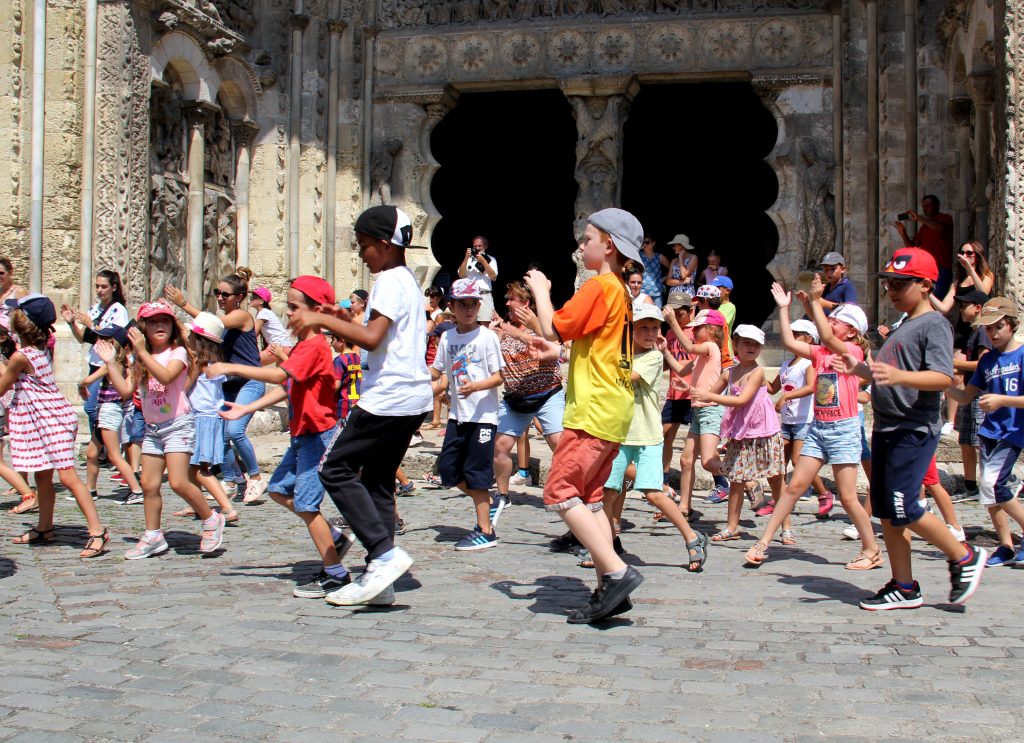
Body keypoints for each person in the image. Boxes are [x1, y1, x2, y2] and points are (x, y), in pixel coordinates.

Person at [290, 205, 430, 607]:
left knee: (334, 469)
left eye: (364, 245)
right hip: (411, 397)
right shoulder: (404, 280)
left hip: (388, 397)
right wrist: (342, 317)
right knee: (377, 482)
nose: (361, 254)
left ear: (385, 245)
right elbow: (379, 336)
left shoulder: (388, 279)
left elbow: (371, 339)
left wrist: (320, 320)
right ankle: (380, 581)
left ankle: (384, 556)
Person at [525, 208, 644, 624]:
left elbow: (553, 326)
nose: (581, 245)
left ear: (608, 245)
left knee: (560, 492)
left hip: (592, 410)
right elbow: (594, 346)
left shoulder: (599, 286)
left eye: (588, 238)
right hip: (614, 408)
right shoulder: (620, 292)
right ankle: (608, 589)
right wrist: (561, 353)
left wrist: (541, 289)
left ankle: (616, 572)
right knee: (591, 500)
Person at [848, 247, 985, 610]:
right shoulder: (904, 325)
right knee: (888, 513)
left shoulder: (934, 324)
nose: (891, 290)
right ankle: (904, 586)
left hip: (913, 427)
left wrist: (898, 376)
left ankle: (964, 555)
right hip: (888, 427)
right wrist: (862, 370)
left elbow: (942, 376)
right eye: (889, 283)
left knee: (905, 506)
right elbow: (892, 375)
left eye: (900, 283)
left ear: (925, 285)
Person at [216, 277, 358, 600]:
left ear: (316, 310)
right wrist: (246, 408)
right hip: (302, 435)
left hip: (318, 436)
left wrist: (228, 365)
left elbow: (278, 374)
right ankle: (333, 538)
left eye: (294, 307)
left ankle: (336, 574)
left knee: (307, 504)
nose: (288, 313)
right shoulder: (302, 347)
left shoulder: (315, 346)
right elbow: (286, 386)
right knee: (279, 490)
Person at [746, 279, 880, 569]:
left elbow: (829, 339)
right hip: (819, 428)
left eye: (836, 321)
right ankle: (764, 542)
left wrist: (816, 302)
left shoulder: (852, 351)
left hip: (843, 429)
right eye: (829, 319)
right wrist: (784, 309)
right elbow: (790, 342)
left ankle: (871, 549)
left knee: (848, 496)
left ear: (852, 331)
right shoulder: (820, 353)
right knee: (793, 486)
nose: (829, 323)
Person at [102, 301, 226, 559]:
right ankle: (153, 536)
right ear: (143, 328)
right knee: (148, 483)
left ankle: (211, 518)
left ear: (173, 326)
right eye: (153, 321)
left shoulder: (177, 353)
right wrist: (111, 363)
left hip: (178, 424)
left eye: (165, 320)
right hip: (153, 427)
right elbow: (125, 391)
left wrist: (141, 352)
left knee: (178, 481)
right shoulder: (140, 358)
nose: (160, 325)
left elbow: (167, 377)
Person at [600, 303, 708, 572]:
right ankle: (605, 545)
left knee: (653, 493)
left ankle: (692, 536)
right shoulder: (619, 353)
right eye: (643, 327)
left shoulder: (653, 357)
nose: (650, 333)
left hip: (647, 435)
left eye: (654, 328)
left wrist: (598, 356)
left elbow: (629, 375)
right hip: (618, 434)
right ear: (630, 330)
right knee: (609, 492)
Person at [4, 294, 109, 559]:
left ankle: (97, 531)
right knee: (42, 475)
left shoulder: (21, 357)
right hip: (46, 419)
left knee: (67, 477)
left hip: (53, 421)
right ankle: (45, 527)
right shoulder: (38, 350)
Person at [166, 269, 267, 504]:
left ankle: (255, 478)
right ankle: (232, 480)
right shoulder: (220, 318)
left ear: (239, 297)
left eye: (225, 294)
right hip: (228, 383)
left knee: (234, 431)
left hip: (249, 382)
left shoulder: (243, 316)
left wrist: (183, 304)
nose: (220, 297)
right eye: (217, 293)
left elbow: (213, 324)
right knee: (220, 437)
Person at [945, 297, 1024, 567]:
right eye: (988, 329)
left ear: (1012, 325)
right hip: (989, 431)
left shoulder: (1022, 355)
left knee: (994, 485)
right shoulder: (987, 360)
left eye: (998, 327)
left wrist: (1002, 400)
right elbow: (966, 396)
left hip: (1012, 432)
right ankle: (1006, 544)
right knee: (988, 493)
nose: (993, 333)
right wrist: (942, 384)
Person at [688, 324, 785, 544]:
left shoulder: (758, 372)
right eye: (746, 343)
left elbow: (741, 400)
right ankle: (732, 527)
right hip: (741, 433)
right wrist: (692, 391)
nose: (751, 347)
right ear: (735, 344)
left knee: (776, 482)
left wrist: (708, 396)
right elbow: (709, 395)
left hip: (764, 433)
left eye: (756, 344)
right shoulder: (730, 372)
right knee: (736, 481)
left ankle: (786, 527)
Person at [430, 278, 505, 550]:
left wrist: (476, 386)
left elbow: (499, 376)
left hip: (483, 417)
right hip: (458, 417)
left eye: (474, 303)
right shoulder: (447, 337)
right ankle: (488, 502)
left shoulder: (487, 337)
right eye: (463, 304)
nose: (469, 309)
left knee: (476, 472)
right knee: (448, 470)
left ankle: (485, 530)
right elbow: (437, 372)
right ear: (452, 306)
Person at [490, 280, 564, 516]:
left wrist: (512, 332)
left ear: (526, 303)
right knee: (500, 446)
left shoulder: (542, 325)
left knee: (560, 443)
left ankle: (570, 494)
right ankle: (502, 495)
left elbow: (556, 344)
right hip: (516, 399)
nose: (507, 303)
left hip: (548, 394)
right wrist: (494, 338)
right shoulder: (502, 328)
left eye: (512, 299)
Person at [767, 318, 833, 541]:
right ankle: (779, 499)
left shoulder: (808, 363)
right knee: (779, 461)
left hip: (805, 419)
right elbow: (773, 387)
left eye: (797, 335)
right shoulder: (786, 364)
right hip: (787, 420)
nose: (792, 338)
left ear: (809, 339)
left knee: (798, 461)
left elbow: (811, 387)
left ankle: (824, 493)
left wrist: (787, 397)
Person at [171, 312, 237, 524]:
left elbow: (183, 388)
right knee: (193, 469)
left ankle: (227, 507)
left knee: (199, 469)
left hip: (201, 419)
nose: (188, 336)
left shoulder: (199, 363)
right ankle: (198, 506)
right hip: (211, 418)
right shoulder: (212, 360)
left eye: (192, 335)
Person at [663, 305, 732, 504]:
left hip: (710, 411)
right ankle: (685, 507)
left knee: (708, 461)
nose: (693, 331)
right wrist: (665, 351)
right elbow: (680, 369)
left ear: (712, 330)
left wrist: (673, 322)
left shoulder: (711, 347)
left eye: (697, 328)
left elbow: (690, 348)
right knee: (686, 460)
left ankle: (746, 480)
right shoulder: (702, 355)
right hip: (698, 411)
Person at [60, 270, 129, 435]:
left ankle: (103, 443)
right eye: (97, 286)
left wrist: (91, 324)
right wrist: (72, 323)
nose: (99, 290)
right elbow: (82, 338)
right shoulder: (94, 309)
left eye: (104, 287)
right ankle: (99, 444)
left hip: (108, 365)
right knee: (96, 408)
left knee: (91, 407)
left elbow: (116, 339)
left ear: (113, 287)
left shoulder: (119, 310)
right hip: (94, 362)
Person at [81, 325, 144, 505]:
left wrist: (81, 385)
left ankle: (137, 490)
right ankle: (90, 490)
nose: (99, 342)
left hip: (109, 410)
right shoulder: (124, 365)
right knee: (92, 453)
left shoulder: (113, 365)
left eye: (105, 340)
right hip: (105, 410)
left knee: (114, 455)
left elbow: (88, 380)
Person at [949, 289, 991, 504]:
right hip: (969, 391)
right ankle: (970, 486)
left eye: (965, 305)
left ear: (978, 308)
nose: (961, 310)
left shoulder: (983, 331)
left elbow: (983, 363)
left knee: (978, 443)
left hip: (980, 393)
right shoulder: (975, 332)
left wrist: (953, 362)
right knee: (966, 441)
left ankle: (994, 484)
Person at [892, 194, 955, 298]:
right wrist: (903, 233)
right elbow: (912, 247)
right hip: (927, 269)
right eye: (923, 207)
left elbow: (940, 229)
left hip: (942, 268)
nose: (925, 209)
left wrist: (919, 218)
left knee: (937, 299)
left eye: (928, 206)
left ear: (936, 205)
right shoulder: (924, 228)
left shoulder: (945, 218)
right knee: (925, 298)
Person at [458, 236, 499, 322]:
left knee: (486, 323)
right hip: (470, 296)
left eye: (480, 246)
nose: (477, 248)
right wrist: (466, 258)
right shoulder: (469, 259)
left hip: (484, 295)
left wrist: (484, 262)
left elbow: (493, 277)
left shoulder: (491, 259)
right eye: (475, 246)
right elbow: (461, 275)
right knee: (469, 323)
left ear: (485, 246)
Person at [250, 286, 294, 356]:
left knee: (252, 360)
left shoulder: (263, 312)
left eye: (253, 298)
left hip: (277, 346)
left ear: (261, 301)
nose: (251, 299)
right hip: (284, 345)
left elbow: (253, 334)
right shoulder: (265, 312)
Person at [637, 235, 669, 307]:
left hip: (657, 293)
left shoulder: (659, 256)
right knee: (643, 312)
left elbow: (672, 269)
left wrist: (663, 279)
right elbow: (627, 265)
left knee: (657, 313)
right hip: (642, 292)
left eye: (647, 242)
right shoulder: (638, 255)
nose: (644, 244)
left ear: (653, 243)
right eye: (643, 242)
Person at [666, 234, 698, 298]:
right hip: (674, 295)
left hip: (687, 294)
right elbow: (668, 281)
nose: (673, 248)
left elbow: (684, 275)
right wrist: (682, 282)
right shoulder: (674, 261)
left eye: (675, 245)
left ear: (682, 246)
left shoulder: (693, 257)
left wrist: (681, 259)